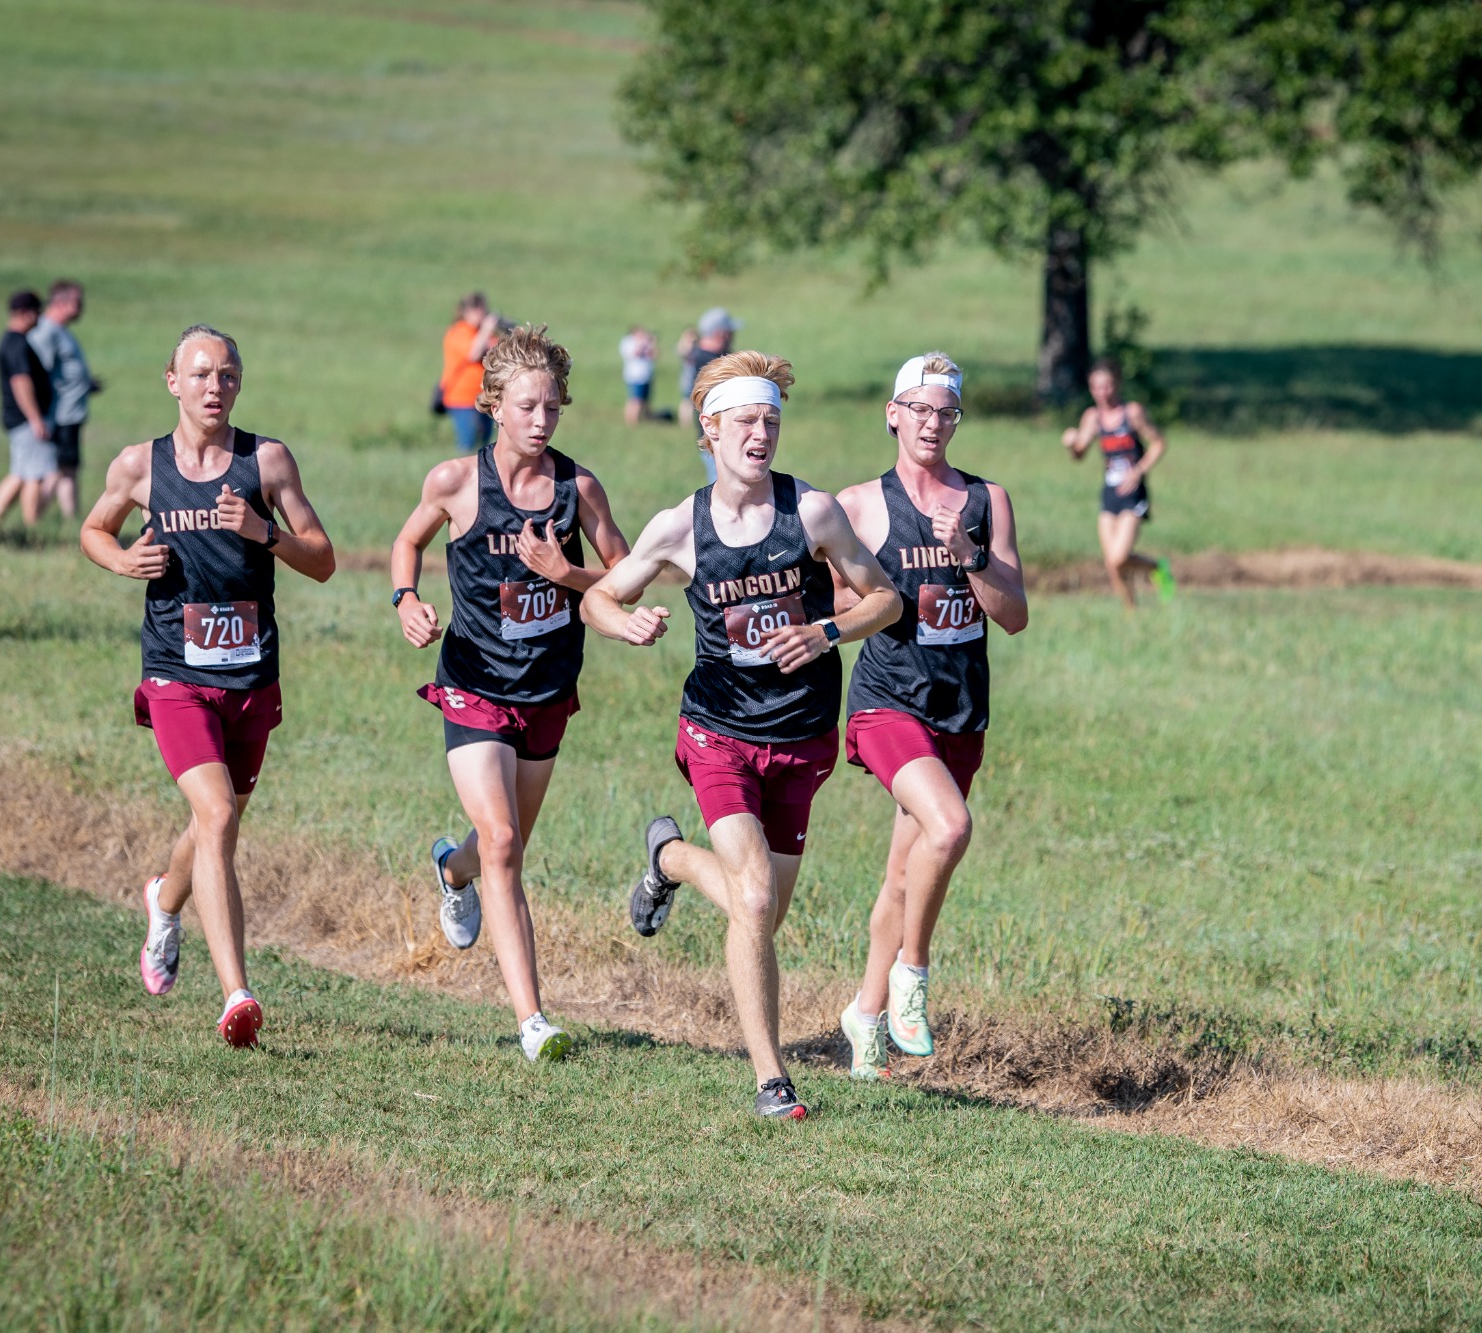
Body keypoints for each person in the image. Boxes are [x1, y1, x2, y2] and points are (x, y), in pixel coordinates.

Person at [582, 351, 900, 1119]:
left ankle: (669, 856)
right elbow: (599, 594)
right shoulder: (677, 528)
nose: (761, 434)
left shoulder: (814, 513)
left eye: (772, 421)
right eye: (747, 421)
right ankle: (771, 1080)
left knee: (761, 913)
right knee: (754, 901)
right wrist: (624, 621)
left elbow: (885, 599)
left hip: (800, 740)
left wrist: (826, 630)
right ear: (710, 429)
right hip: (718, 734)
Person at [79, 325, 336, 1048]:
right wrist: (122, 560)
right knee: (218, 816)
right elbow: (94, 530)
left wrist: (265, 533)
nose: (213, 388)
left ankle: (163, 901)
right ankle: (236, 995)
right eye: (199, 375)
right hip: (175, 673)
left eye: (226, 375)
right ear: (171, 381)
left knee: (215, 823)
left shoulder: (266, 461)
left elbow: (323, 559)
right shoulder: (140, 466)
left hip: (250, 676)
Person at [391, 325, 631, 1064]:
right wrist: (406, 597)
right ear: (493, 404)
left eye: (553, 408)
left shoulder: (577, 487)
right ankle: (533, 1021)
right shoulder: (455, 482)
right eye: (527, 406)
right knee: (503, 842)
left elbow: (627, 573)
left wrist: (566, 575)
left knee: (504, 845)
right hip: (474, 683)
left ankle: (450, 869)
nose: (541, 420)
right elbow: (409, 542)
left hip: (549, 687)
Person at [832, 353, 1028, 1079]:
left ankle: (866, 1012)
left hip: (960, 706)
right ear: (892, 413)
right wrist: (870, 609)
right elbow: (835, 609)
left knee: (902, 874)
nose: (932, 423)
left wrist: (970, 556)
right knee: (950, 827)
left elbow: (1014, 616)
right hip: (888, 700)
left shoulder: (987, 500)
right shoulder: (858, 505)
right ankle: (913, 978)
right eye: (918, 408)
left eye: (946, 412)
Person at [1061, 359, 1173, 609]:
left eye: (1107, 386)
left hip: (1133, 493)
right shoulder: (1092, 417)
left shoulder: (1132, 412)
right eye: (1096, 388)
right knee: (1112, 563)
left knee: (1120, 556)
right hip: (1109, 492)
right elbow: (1080, 453)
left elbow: (1158, 443)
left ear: (1117, 384)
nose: (1102, 393)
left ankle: (1156, 568)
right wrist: (1071, 444)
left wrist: (1138, 471)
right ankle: (1131, 613)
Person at [0, 290, 58, 530]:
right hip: (25, 419)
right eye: (38, 311)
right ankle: (32, 525)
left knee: (19, 474)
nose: (40, 317)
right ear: (25, 314)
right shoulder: (17, 344)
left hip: (17, 418)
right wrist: (36, 419)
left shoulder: (10, 340)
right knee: (36, 476)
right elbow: (20, 381)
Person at [30, 279, 102, 522]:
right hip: (59, 413)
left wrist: (85, 384)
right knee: (58, 469)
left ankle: (71, 520)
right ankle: (33, 516)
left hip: (71, 411)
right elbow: (38, 373)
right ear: (61, 303)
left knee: (67, 468)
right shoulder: (46, 331)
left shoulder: (60, 331)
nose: (81, 308)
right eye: (77, 303)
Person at [677, 309, 737, 483]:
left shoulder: (701, 356)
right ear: (720, 334)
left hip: (716, 434)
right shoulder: (709, 361)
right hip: (716, 436)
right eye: (730, 332)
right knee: (722, 487)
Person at [440, 293, 502, 453]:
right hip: (463, 399)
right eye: (477, 311)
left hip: (486, 396)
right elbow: (473, 353)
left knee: (485, 444)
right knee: (468, 443)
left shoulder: (485, 334)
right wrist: (486, 330)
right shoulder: (459, 332)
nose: (481, 316)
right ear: (466, 312)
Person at [618, 325, 657, 427]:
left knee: (644, 401)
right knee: (635, 400)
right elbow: (635, 353)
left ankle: (642, 418)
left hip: (646, 375)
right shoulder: (628, 342)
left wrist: (652, 343)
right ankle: (631, 422)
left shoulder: (646, 343)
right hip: (635, 376)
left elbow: (654, 355)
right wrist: (642, 343)